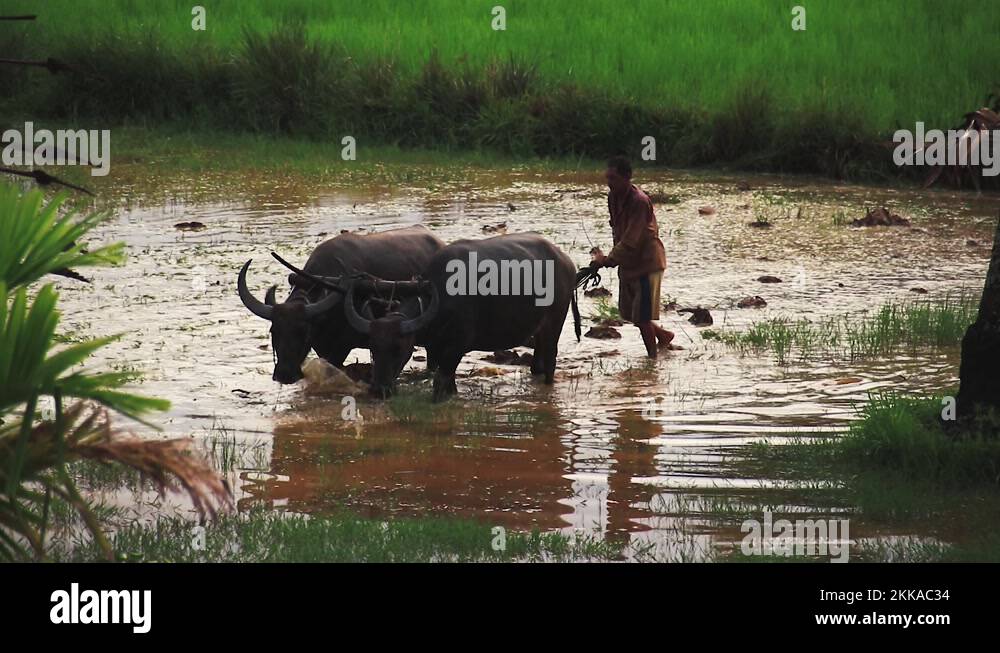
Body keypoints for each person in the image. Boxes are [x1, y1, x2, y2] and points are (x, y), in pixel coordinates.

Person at [590, 155, 674, 358]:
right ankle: (663, 336)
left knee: (643, 317)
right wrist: (609, 258)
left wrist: (608, 260)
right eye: (608, 179)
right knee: (630, 314)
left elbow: (630, 239)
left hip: (647, 263)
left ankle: (651, 362)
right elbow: (618, 232)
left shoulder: (639, 202)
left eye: (614, 179)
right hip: (629, 263)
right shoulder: (612, 198)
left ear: (627, 178)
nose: (610, 184)